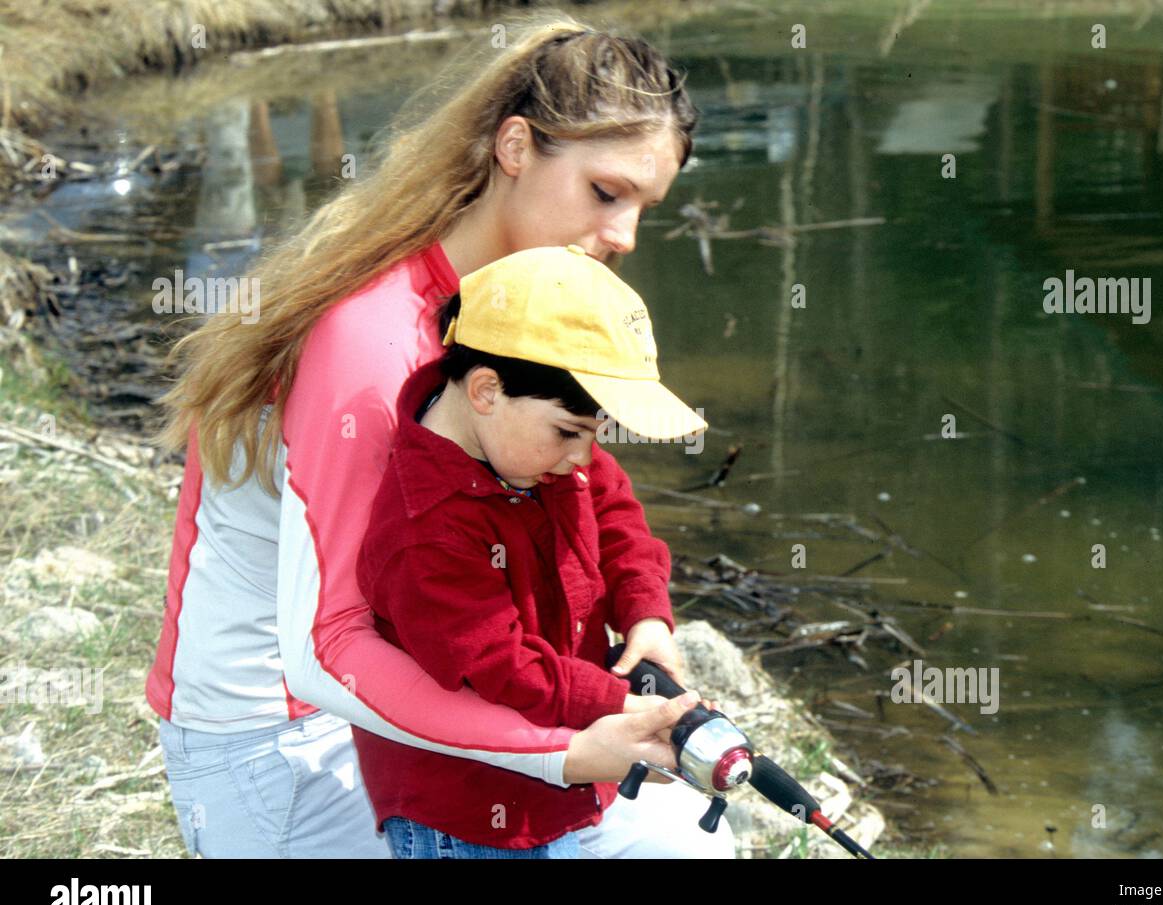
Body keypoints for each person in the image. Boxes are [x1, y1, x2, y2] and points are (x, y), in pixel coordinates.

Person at [147, 15, 734, 858]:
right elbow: (328, 651)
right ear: (516, 147)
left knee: (690, 838)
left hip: (429, 686)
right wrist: (566, 751)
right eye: (607, 193)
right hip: (290, 738)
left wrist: (647, 621)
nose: (624, 237)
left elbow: (592, 492)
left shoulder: (526, 309)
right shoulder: (375, 340)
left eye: (645, 206)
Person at [356, 244, 711, 857]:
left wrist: (645, 615)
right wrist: (623, 704)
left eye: (595, 436)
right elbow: (502, 664)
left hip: (562, 784)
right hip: (466, 816)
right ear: (487, 390)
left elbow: (620, 520)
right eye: (570, 434)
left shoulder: (537, 451)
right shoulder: (425, 532)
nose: (583, 457)